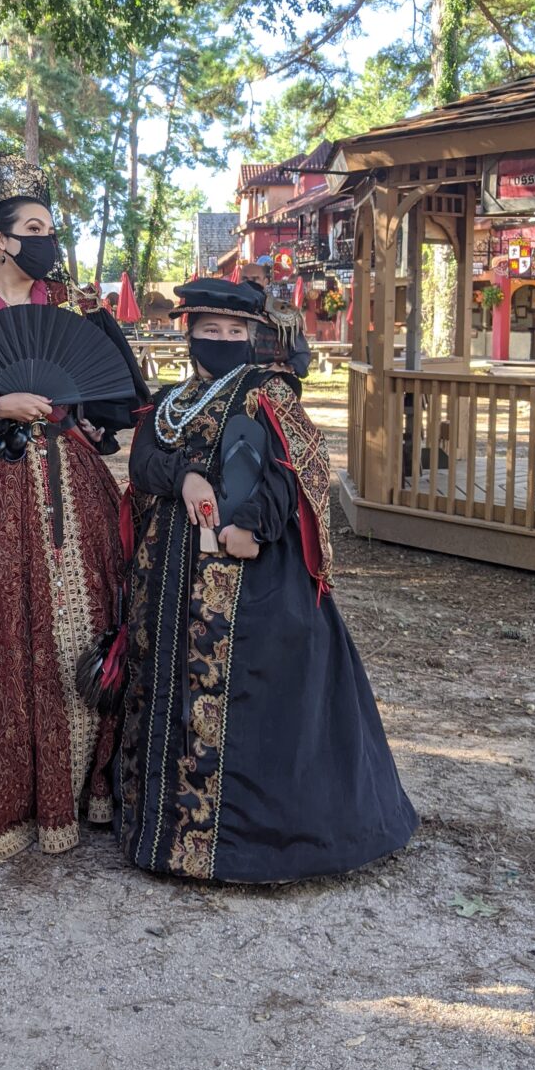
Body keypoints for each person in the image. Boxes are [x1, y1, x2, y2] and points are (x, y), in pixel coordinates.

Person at [116, 278, 417, 883]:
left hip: (251, 573)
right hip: (170, 573)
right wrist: (185, 480)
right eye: (210, 331)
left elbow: (296, 467)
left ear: (253, 336)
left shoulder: (268, 394)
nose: (223, 340)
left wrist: (251, 523)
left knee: (253, 696)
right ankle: (163, 836)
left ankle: (253, 848)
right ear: (189, 333)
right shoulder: (170, 399)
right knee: (168, 684)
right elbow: (145, 460)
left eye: (235, 332)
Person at [0, 153, 148, 860]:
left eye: (51, 227)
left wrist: (94, 421)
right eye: (34, 228)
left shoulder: (77, 313)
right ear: (1, 239)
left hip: (72, 482)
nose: (48, 240)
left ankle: (81, 791)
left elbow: (120, 396)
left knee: (90, 625)